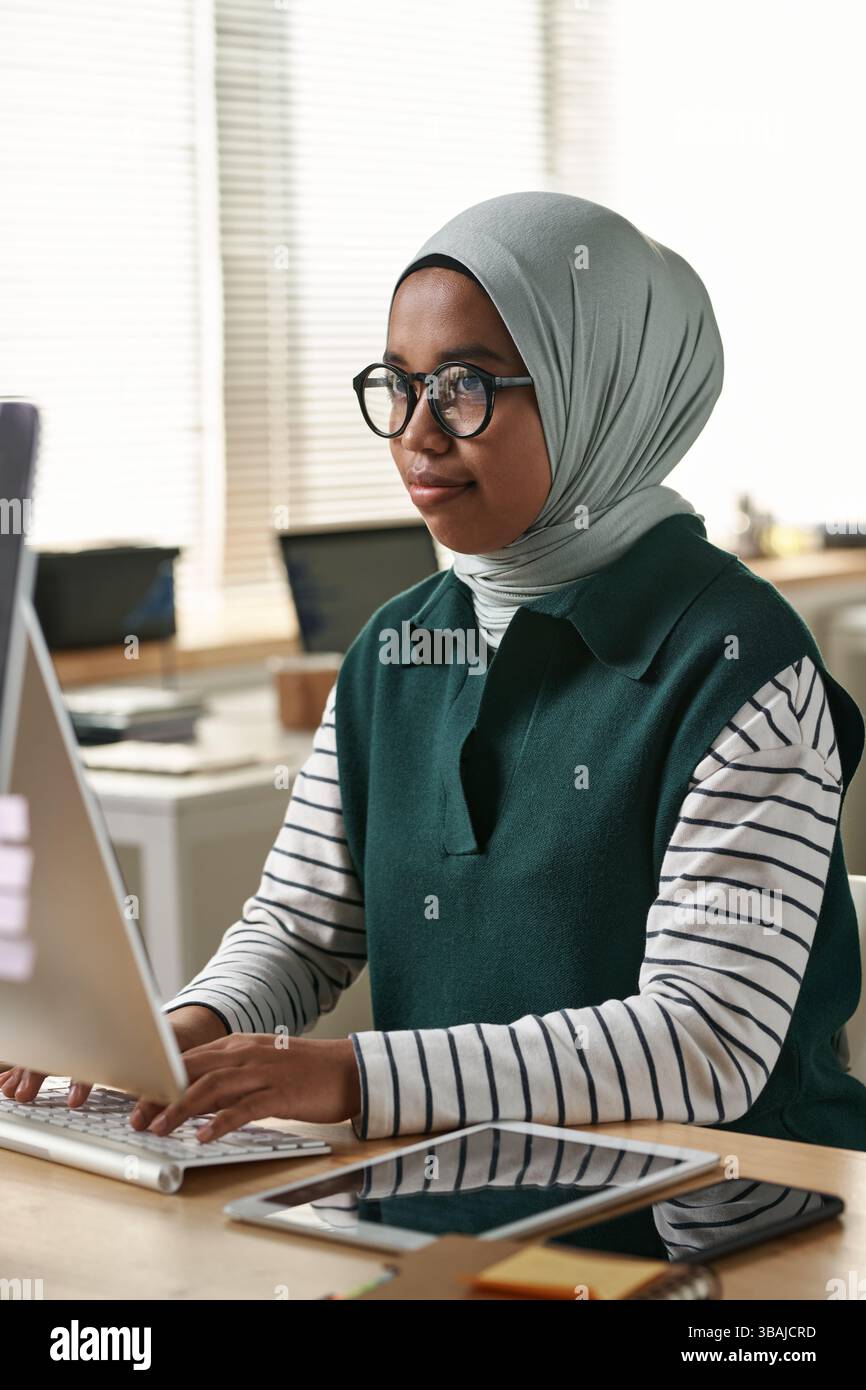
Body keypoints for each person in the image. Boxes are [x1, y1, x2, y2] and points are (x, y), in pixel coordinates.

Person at [5, 191, 866, 1155]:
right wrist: (181, 1036)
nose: (417, 430)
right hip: (451, 1199)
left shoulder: (743, 662)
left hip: (731, 1216)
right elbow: (301, 929)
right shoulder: (392, 649)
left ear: (598, 388)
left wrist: (353, 1075)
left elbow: (709, 1039)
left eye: (467, 385)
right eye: (400, 384)